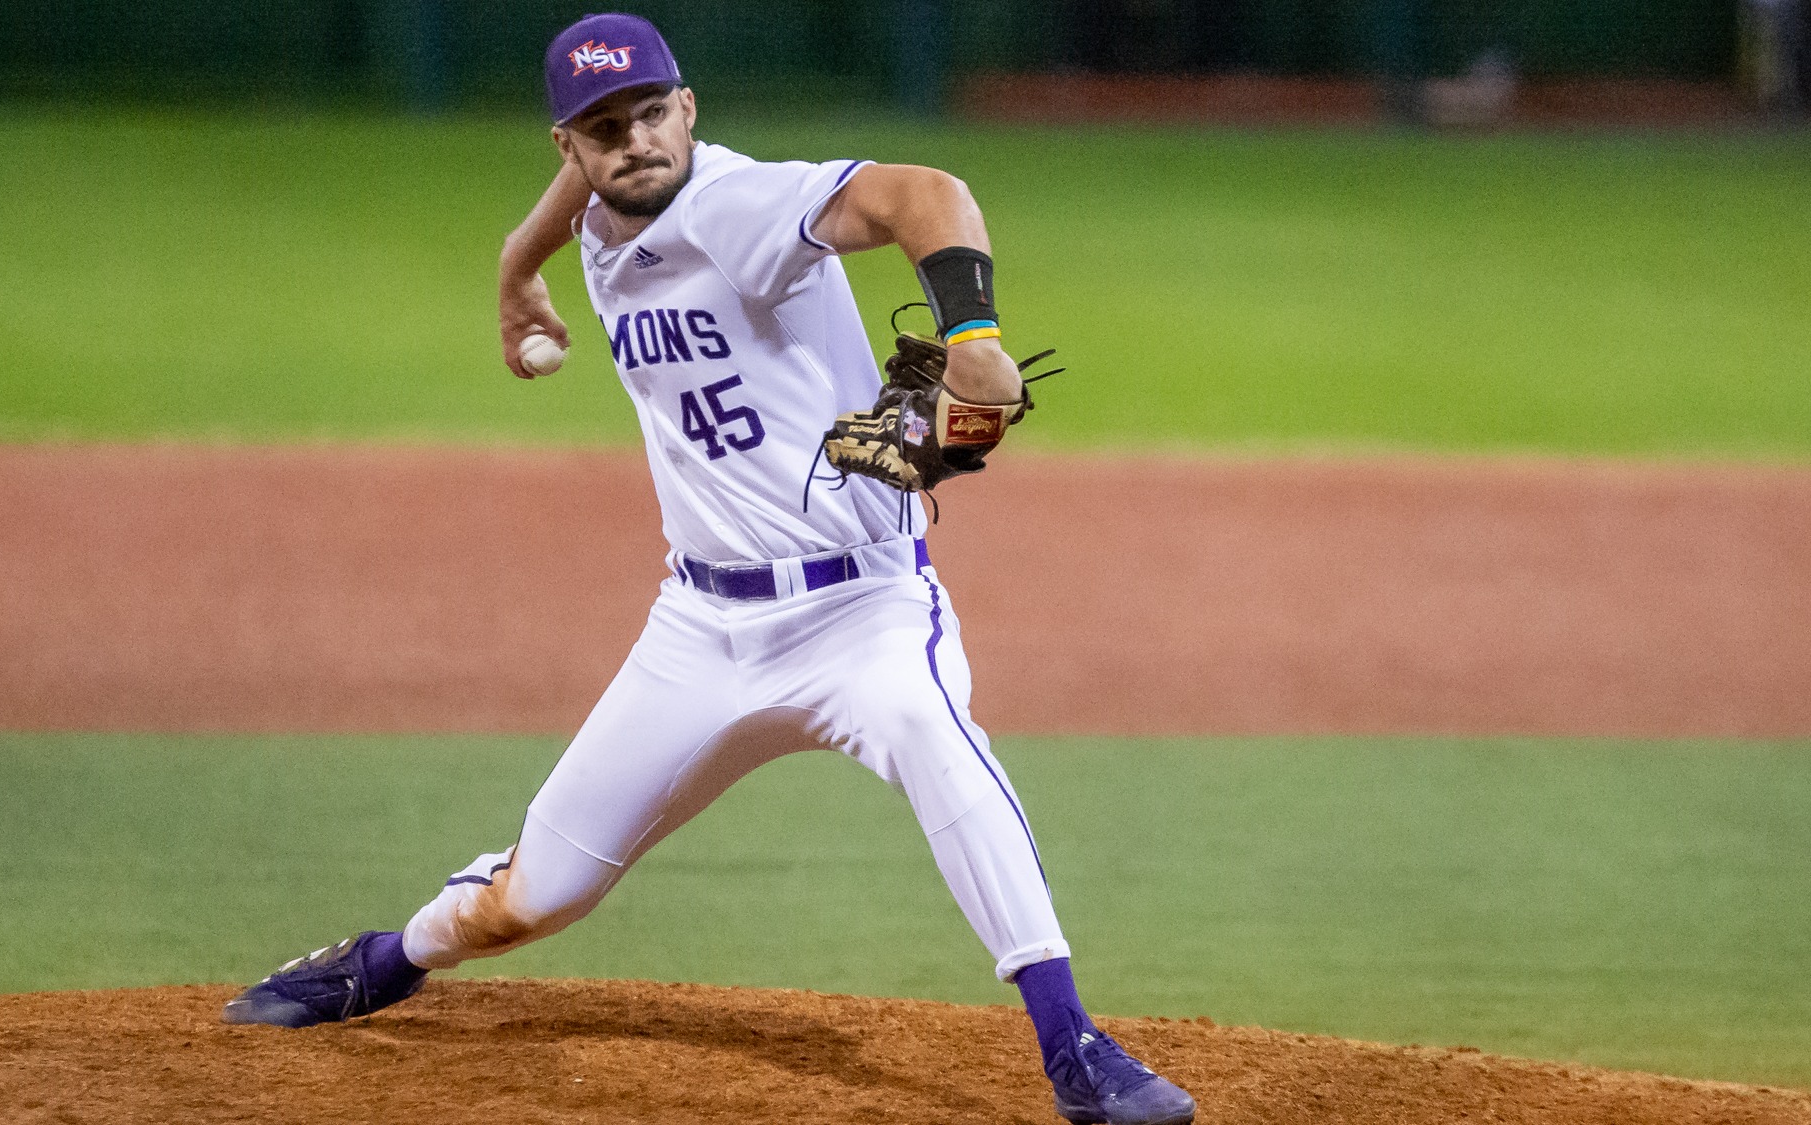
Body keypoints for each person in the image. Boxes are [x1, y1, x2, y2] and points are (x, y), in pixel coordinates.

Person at [222, 13, 1194, 1125]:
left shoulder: (740, 207)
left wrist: (968, 329)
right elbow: (579, 208)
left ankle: (1071, 1049)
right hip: (696, 633)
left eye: (649, 113)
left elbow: (923, 191)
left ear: (686, 111)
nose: (633, 141)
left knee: (940, 744)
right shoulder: (597, 212)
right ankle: (389, 958)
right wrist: (515, 263)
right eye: (602, 128)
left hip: (861, 613)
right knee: (536, 897)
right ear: (569, 147)